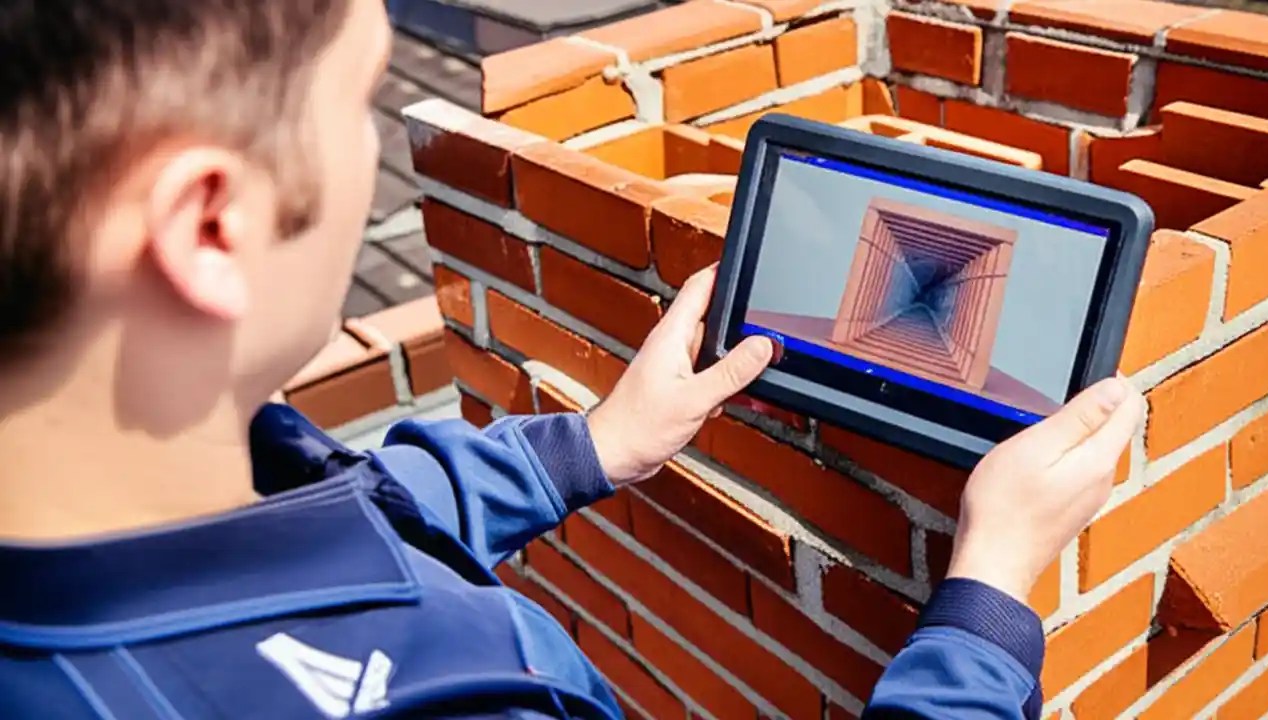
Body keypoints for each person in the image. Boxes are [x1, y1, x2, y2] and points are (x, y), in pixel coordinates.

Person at [0, 1, 1143, 718]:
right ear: (213, 224)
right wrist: (987, 596)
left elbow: (343, 516)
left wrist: (590, 447)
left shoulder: (158, 498)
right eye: (358, 100)